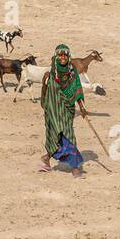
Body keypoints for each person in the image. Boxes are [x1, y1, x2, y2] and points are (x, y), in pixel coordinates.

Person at [39, 44, 89, 175]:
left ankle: (50, 159)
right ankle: (73, 167)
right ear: (56, 57)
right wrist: (44, 85)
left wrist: (82, 107)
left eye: (65, 55)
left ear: (68, 56)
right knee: (56, 134)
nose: (62, 58)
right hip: (54, 111)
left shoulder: (72, 72)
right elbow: (45, 94)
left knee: (68, 134)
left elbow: (77, 89)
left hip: (67, 111)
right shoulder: (51, 74)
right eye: (60, 55)